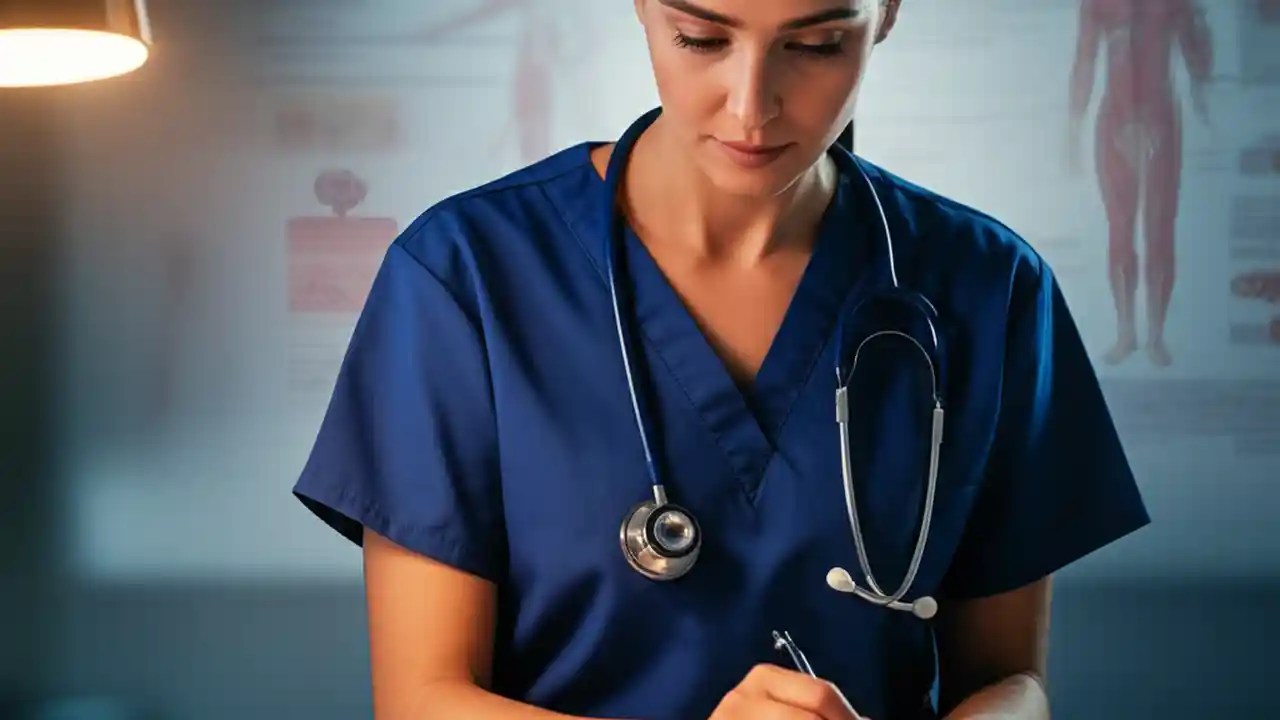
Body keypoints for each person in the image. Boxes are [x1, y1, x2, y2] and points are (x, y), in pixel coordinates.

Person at [292, 1, 1151, 718]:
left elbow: (1012, 683)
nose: (751, 106)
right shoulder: (467, 275)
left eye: (817, 44)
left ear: (886, 12)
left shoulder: (987, 286)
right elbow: (421, 698)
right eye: (701, 37)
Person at [1067, 0, 1213, 368]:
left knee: (1160, 229)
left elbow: (1198, 62)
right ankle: (1127, 330)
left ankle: (1155, 333)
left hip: (1159, 117)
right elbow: (1085, 57)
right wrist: (1073, 126)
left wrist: (1200, 29)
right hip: (1117, 121)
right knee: (1121, 229)